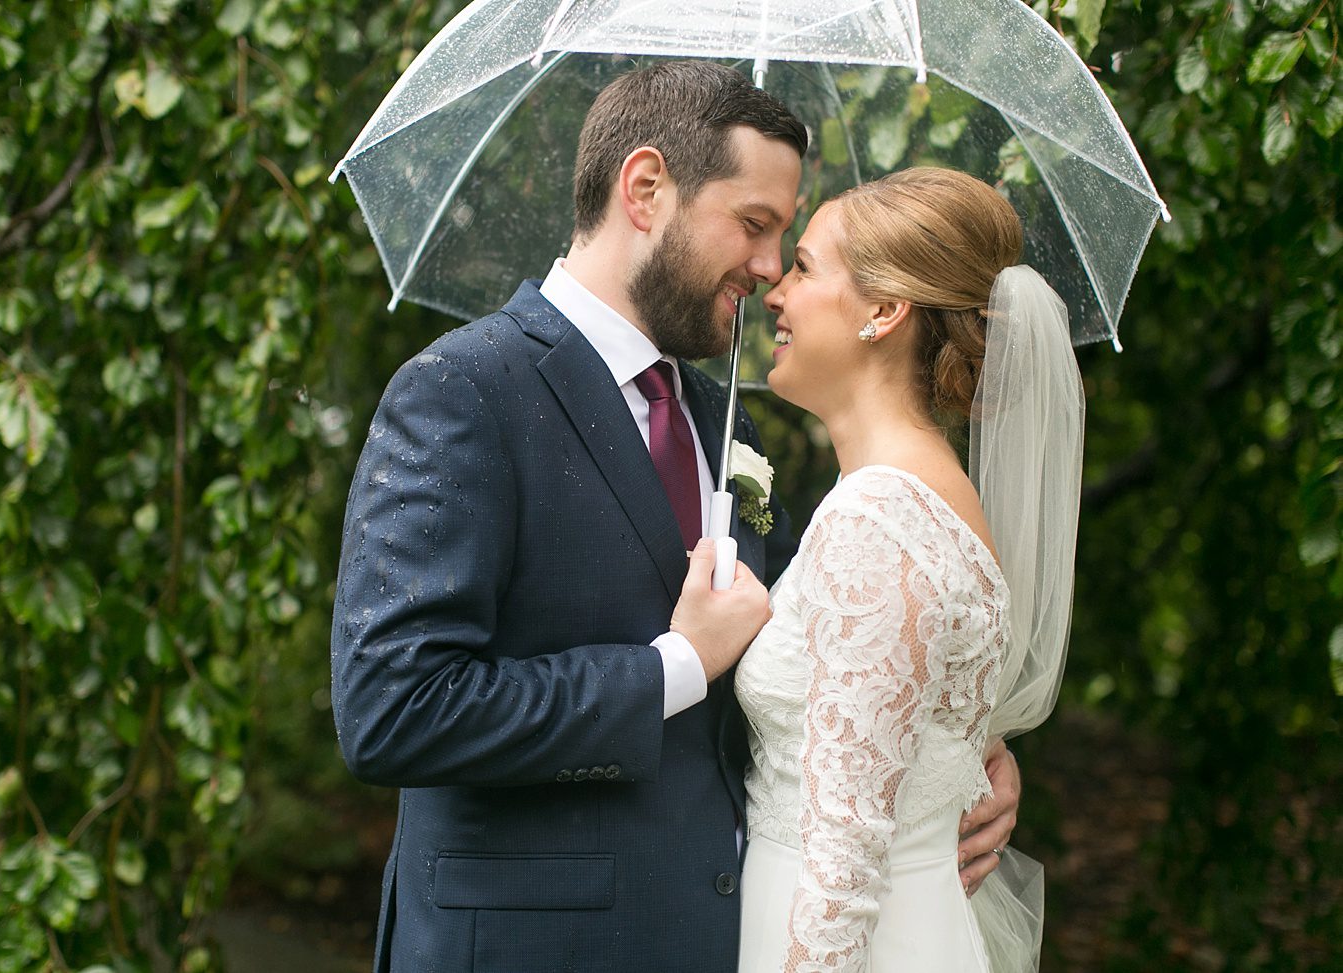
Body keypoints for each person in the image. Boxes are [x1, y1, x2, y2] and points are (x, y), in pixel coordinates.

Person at [331, 62, 1019, 973]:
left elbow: (824, 660)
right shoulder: (463, 392)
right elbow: (394, 710)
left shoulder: (717, 413)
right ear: (647, 188)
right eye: (755, 224)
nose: (771, 267)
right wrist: (674, 665)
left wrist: (951, 754)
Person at [732, 167, 1083, 972]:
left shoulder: (879, 521)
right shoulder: (927, 499)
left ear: (886, 312)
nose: (775, 290)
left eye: (805, 266)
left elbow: (845, 863)